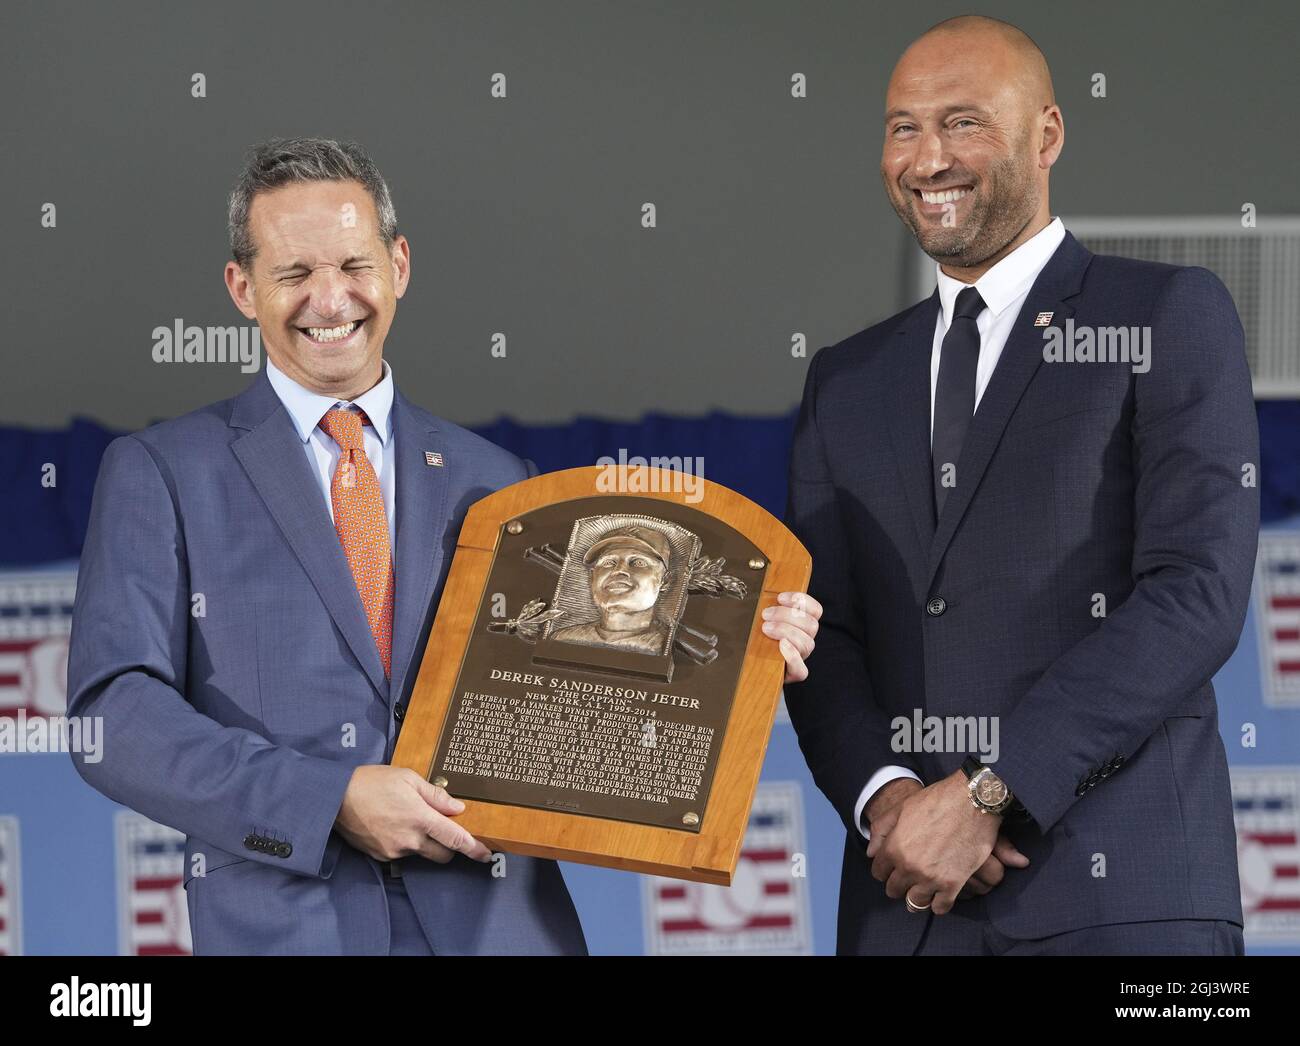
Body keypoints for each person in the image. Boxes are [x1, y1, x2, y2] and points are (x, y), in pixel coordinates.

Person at [67, 137, 821, 955]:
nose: (331, 299)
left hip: (504, 931)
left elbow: (576, 700)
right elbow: (115, 718)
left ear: (399, 265)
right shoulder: (164, 472)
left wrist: (734, 664)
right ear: (242, 289)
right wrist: (330, 801)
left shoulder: (499, 483)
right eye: (294, 274)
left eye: (355, 264)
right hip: (289, 932)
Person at [783, 16, 1257, 955]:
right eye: (903, 127)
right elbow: (825, 632)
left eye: (964, 123)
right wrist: (892, 801)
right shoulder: (846, 378)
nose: (928, 159)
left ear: (1047, 137)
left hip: (1121, 910)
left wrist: (994, 792)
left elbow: (1194, 594)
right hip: (905, 910)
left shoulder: (1165, 314)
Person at [552, 525, 674, 654]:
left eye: (639, 562)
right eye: (608, 562)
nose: (619, 570)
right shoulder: (562, 638)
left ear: (665, 580)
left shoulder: (668, 645)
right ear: (592, 577)